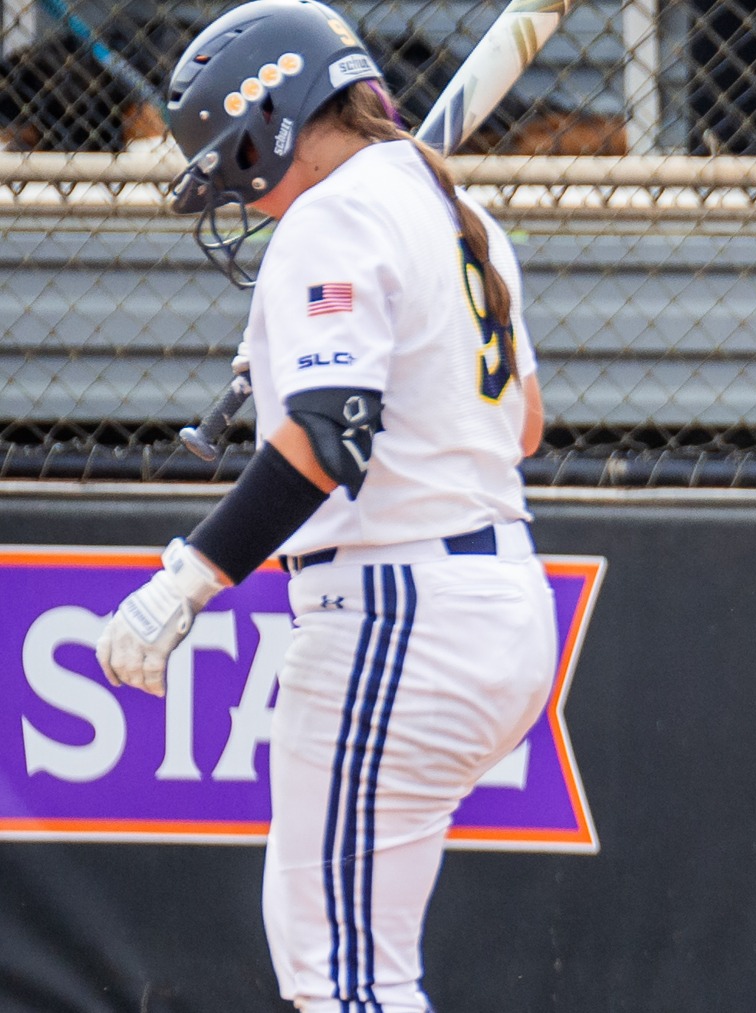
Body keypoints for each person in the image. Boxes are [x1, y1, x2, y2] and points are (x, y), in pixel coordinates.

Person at [92, 2, 553, 1010]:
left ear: (272, 127)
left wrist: (187, 580)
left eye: (233, 159)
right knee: (355, 969)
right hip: (491, 596)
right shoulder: (450, 208)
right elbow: (522, 428)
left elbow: (331, 436)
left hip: (399, 611)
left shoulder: (338, 214)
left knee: (343, 980)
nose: (237, 191)